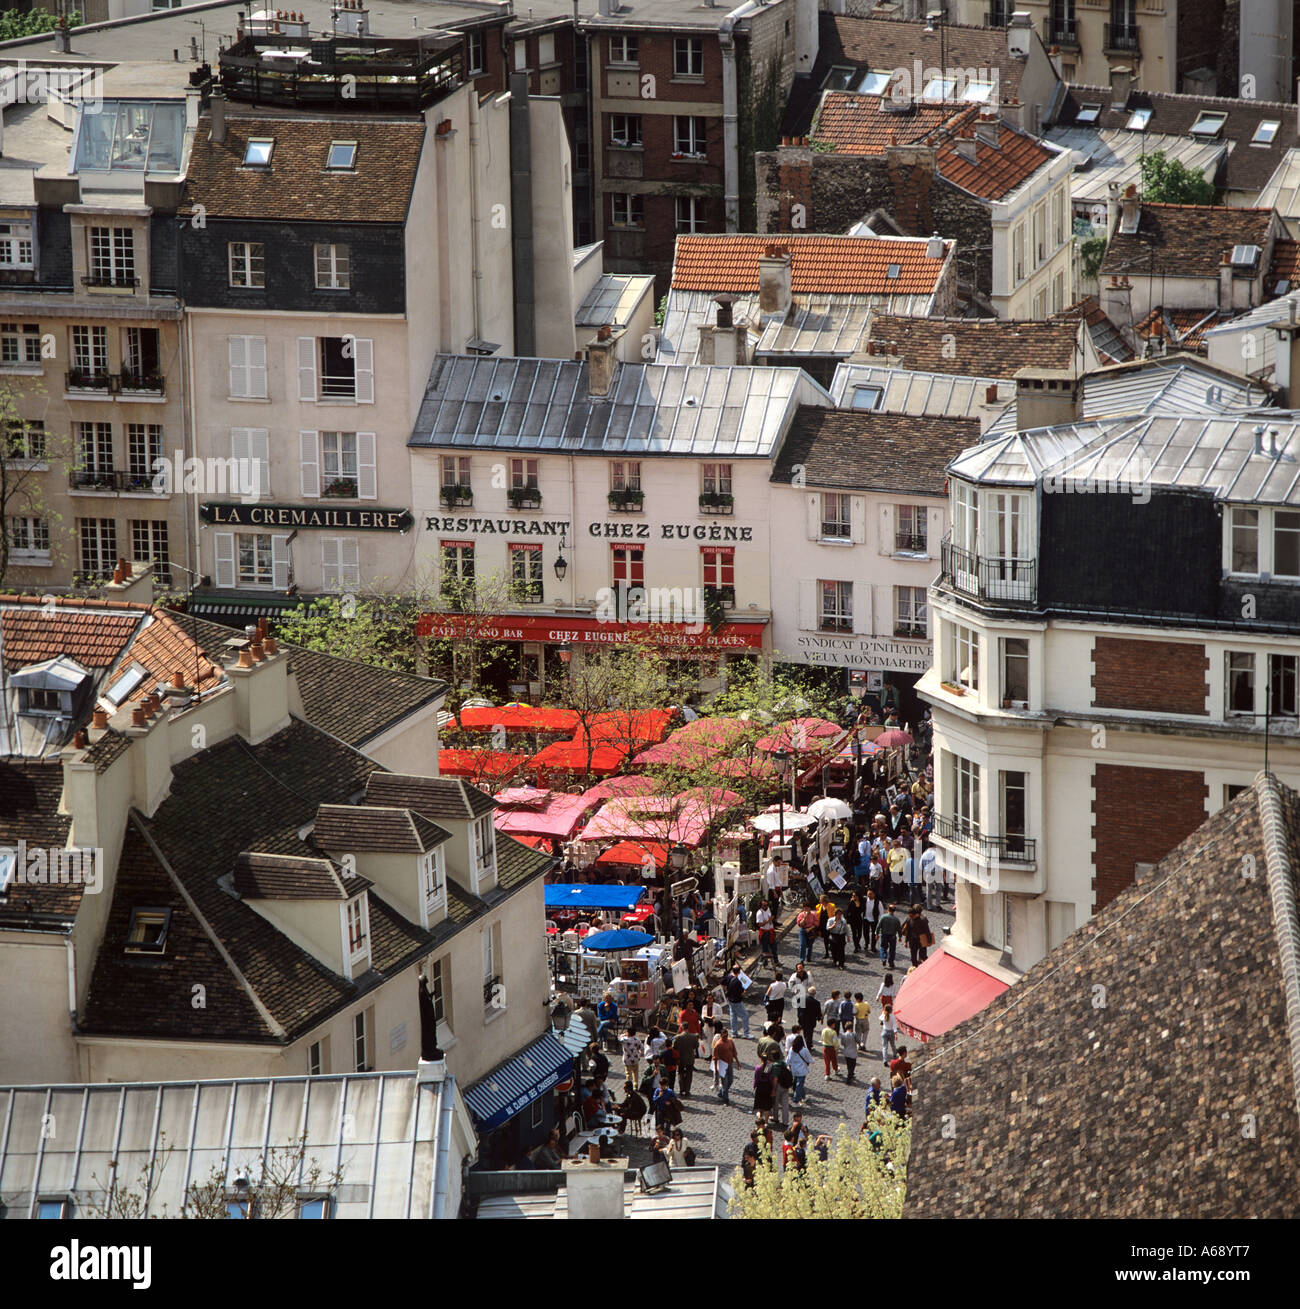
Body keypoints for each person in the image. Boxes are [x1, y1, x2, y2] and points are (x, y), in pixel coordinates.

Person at [713, 1027, 740, 1106]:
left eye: (726, 1036)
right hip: (722, 1065)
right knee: (725, 1083)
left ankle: (722, 1092)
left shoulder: (730, 1041)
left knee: (730, 1080)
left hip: (730, 1064)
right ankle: (726, 1099)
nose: (725, 1037)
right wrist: (716, 1069)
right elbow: (715, 1058)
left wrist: (738, 1062)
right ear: (721, 1036)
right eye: (724, 1036)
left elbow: (734, 1053)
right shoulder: (718, 1045)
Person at [786, 1030, 813, 1104]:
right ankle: (796, 1100)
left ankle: (803, 1097)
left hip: (794, 1069)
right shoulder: (804, 1050)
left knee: (798, 1083)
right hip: (802, 1070)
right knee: (799, 1085)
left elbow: (788, 1059)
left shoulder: (791, 1049)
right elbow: (810, 1059)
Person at [724, 965, 751, 1039]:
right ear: (739, 972)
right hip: (737, 1001)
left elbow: (723, 983)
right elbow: (741, 992)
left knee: (733, 1016)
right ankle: (746, 1033)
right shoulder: (738, 982)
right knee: (745, 1015)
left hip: (730, 999)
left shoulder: (728, 977)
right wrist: (744, 991)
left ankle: (734, 1032)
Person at [673, 1025, 698, 1097]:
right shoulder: (693, 1037)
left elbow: (674, 1047)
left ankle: (681, 1089)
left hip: (681, 1058)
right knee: (689, 1074)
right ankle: (687, 1090)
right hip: (690, 1058)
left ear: (682, 1028)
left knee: (680, 1073)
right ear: (688, 1028)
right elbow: (696, 1046)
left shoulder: (678, 1037)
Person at [755, 900, 778, 968]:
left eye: (767, 905)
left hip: (770, 931)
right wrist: (768, 921)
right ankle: (765, 964)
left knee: (774, 947)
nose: (766, 907)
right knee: (765, 949)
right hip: (764, 932)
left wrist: (772, 920)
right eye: (764, 905)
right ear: (761, 906)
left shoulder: (768, 909)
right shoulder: (759, 913)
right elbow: (759, 924)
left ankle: (776, 961)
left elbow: (770, 917)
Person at [878, 903, 901, 968]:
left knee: (883, 947)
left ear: (888, 909)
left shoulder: (883, 917)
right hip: (893, 936)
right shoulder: (896, 919)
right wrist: (900, 937)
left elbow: (878, 926)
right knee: (892, 950)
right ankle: (891, 962)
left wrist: (876, 934)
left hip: (884, 935)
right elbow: (899, 929)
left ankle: (883, 958)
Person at [752, 1058, 775, 1125]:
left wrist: (754, 1086)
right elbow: (771, 1079)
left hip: (760, 1087)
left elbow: (756, 1078)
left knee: (759, 1107)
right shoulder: (769, 1068)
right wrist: (772, 1088)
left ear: (761, 1059)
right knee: (767, 1107)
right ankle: (766, 1122)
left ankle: (759, 1121)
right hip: (767, 1087)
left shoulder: (758, 1068)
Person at [863, 888, 882, 953]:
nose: (869, 895)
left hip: (874, 919)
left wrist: (880, 921)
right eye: (868, 894)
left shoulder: (878, 902)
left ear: (874, 894)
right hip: (866, 918)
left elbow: (881, 912)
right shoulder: (864, 900)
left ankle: (873, 946)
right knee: (865, 933)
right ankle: (866, 943)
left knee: (874, 933)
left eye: (870, 894)